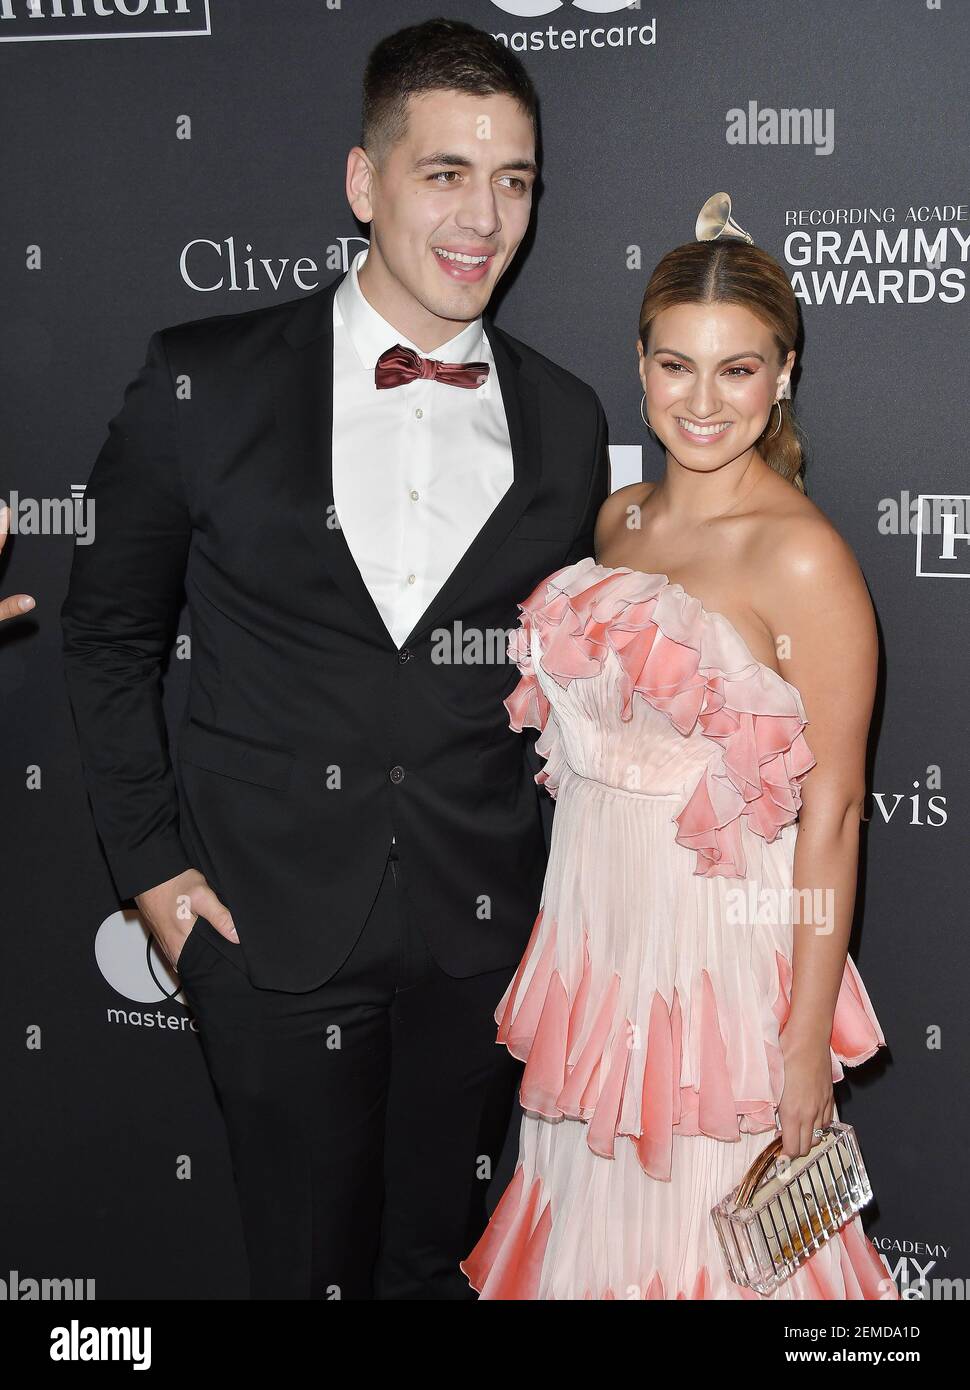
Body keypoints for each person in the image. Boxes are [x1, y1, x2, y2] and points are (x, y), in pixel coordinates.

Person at [59, 18, 608, 1299]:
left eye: (514, 179)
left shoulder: (568, 419)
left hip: (480, 937)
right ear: (364, 183)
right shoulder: (201, 383)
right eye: (446, 173)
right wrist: (149, 870)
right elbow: (109, 632)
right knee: (302, 1270)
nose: (485, 216)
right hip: (265, 926)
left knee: (432, 1264)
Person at [461, 235, 900, 1300]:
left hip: (712, 968)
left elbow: (832, 813)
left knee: (715, 1255)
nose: (702, 400)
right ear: (640, 363)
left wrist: (802, 1044)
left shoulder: (800, 556)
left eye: (738, 367)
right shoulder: (620, 522)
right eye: (675, 364)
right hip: (592, 951)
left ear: (782, 373)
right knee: (589, 1244)